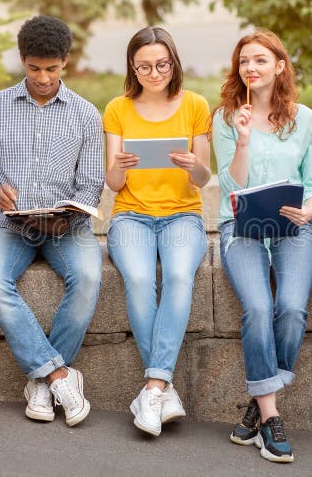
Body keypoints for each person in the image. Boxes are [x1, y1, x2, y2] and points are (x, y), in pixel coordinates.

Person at [0, 15, 103, 428]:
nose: (43, 78)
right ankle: (58, 375)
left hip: (68, 229)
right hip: (11, 226)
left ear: (65, 61)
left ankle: (42, 384)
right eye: (34, 68)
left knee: (88, 277)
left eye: (52, 68)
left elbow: (91, 185)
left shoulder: (86, 114)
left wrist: (70, 215)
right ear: (21, 59)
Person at [212, 30, 312, 463]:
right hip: (242, 226)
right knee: (258, 308)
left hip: (293, 226)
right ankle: (272, 417)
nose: (250, 68)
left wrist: (309, 210)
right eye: (244, 61)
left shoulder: (306, 119)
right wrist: (242, 139)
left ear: (279, 66)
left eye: (260, 60)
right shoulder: (227, 117)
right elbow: (230, 186)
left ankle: (258, 404)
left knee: (291, 309)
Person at [103, 26, 211, 436]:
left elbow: (203, 179)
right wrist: (119, 166)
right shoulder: (118, 109)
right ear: (132, 67)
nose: (154, 73)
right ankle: (162, 387)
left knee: (179, 276)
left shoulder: (195, 105)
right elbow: (113, 184)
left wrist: (193, 165)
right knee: (139, 279)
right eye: (144, 66)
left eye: (162, 65)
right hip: (131, 214)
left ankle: (152, 387)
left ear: (174, 63)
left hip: (183, 214)